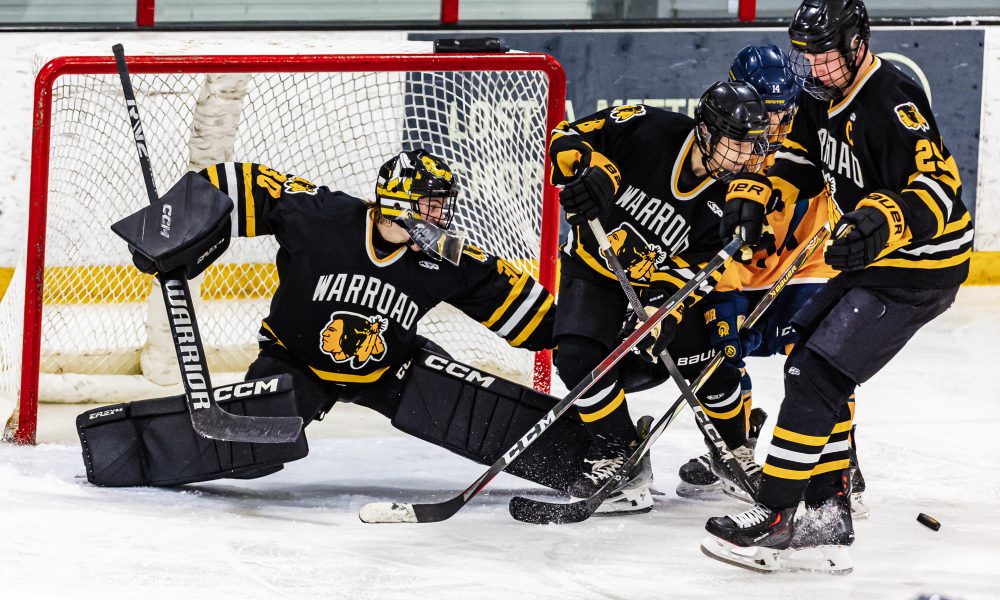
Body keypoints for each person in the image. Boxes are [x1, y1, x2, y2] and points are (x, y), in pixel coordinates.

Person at [78, 149, 592, 494]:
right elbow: (243, 182)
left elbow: (530, 313)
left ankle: (593, 456)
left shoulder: (447, 256)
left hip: (394, 369)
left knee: (466, 403)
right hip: (295, 362)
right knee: (253, 455)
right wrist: (175, 222)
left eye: (442, 209)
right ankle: (116, 449)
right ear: (396, 205)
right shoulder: (324, 217)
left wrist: (590, 334)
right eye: (431, 208)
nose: (440, 219)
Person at [701, 0, 972, 574]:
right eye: (809, 56)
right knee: (807, 354)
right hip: (877, 266)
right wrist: (752, 199)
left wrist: (885, 222)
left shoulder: (890, 97)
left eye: (827, 55)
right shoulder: (818, 98)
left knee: (813, 373)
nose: (817, 67)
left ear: (857, 43)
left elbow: (941, 186)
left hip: (920, 268)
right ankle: (827, 516)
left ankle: (777, 516)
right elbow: (795, 164)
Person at [547, 80, 771, 514]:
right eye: (737, 144)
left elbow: (698, 267)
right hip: (592, 269)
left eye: (752, 146)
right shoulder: (647, 128)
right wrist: (585, 170)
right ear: (706, 132)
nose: (747, 157)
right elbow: (565, 136)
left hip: (653, 289)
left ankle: (731, 451)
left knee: (709, 355)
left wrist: (663, 309)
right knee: (577, 359)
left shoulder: (733, 197)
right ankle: (623, 458)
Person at [677, 45, 867, 518]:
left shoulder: (811, 137)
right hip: (740, 275)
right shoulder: (727, 146)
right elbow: (708, 236)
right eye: (771, 113)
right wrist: (727, 290)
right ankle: (734, 447)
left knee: (820, 357)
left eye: (787, 111)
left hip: (806, 268)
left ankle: (841, 462)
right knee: (715, 353)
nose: (779, 126)